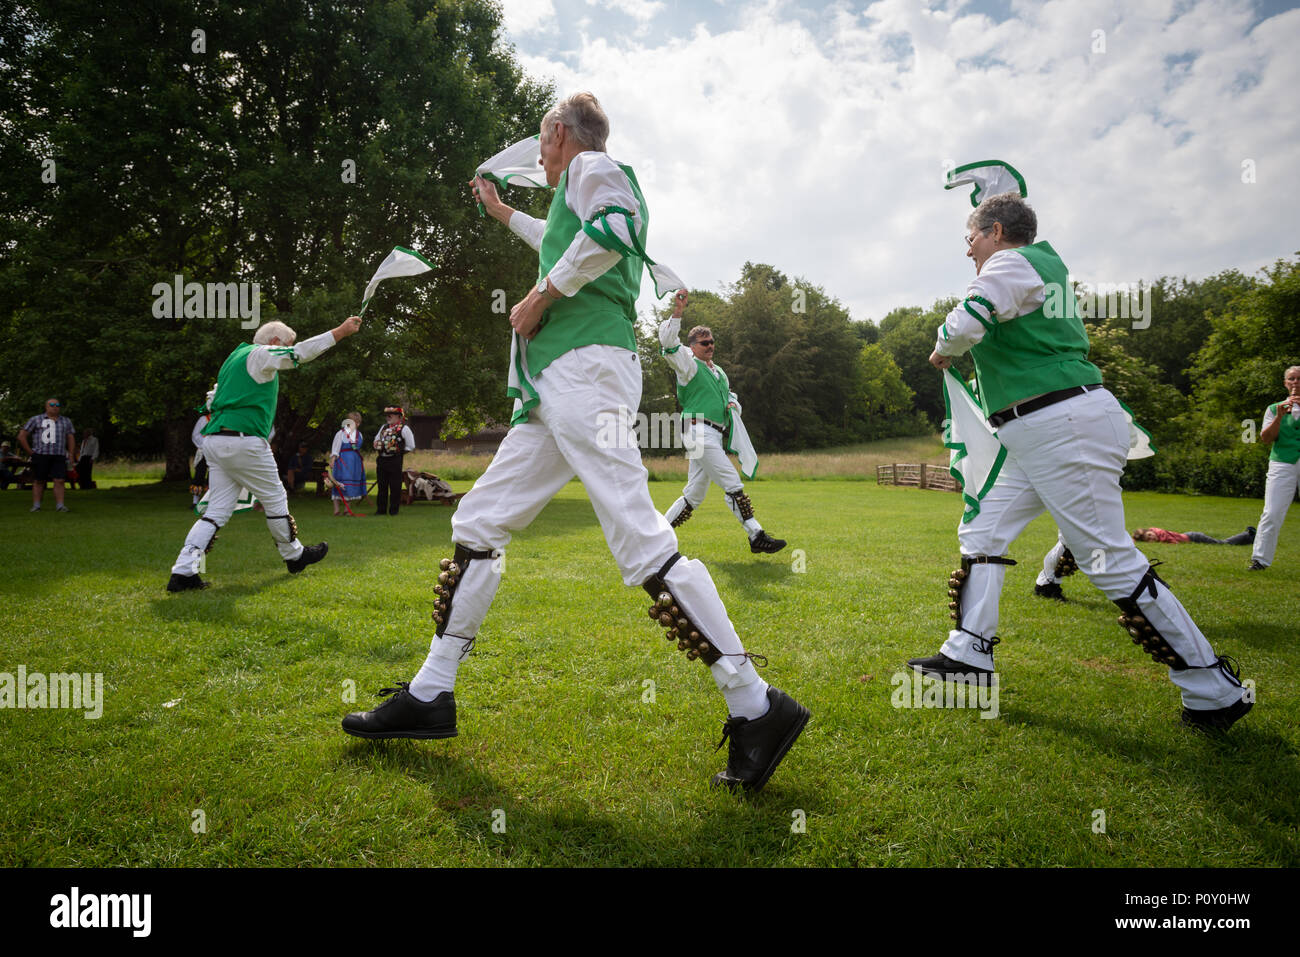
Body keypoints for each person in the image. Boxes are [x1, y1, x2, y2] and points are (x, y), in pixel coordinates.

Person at [342, 92, 809, 792]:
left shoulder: (594, 166)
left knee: (641, 539)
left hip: (583, 375)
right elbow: (566, 240)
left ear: (560, 133)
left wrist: (539, 297)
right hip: (559, 387)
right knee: (478, 522)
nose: (539, 154)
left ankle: (755, 703)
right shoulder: (581, 187)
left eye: (542, 140)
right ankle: (432, 691)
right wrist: (503, 214)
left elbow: (613, 228)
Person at [910, 191, 1251, 731]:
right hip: (1041, 427)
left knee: (1108, 559)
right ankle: (968, 655)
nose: (968, 249)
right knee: (984, 528)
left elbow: (965, 322)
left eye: (970, 237)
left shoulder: (1011, 261)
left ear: (996, 231)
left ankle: (1213, 687)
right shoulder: (1034, 265)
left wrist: (941, 347)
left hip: (1057, 423)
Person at [166, 316, 362, 591]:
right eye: (285, 344)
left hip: (215, 439)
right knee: (275, 497)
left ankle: (183, 572)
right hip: (243, 441)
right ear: (273, 342)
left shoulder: (234, 358)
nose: (284, 354)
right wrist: (339, 333)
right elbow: (299, 354)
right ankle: (294, 555)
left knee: (217, 510)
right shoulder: (261, 354)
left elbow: (212, 398)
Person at [658, 291, 786, 554]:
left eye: (712, 342)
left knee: (693, 495)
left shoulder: (720, 373)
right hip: (697, 431)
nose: (710, 346)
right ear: (692, 346)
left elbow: (731, 398)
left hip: (713, 434)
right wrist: (678, 311)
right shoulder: (689, 366)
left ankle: (657, 535)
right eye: (704, 343)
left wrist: (733, 404)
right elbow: (668, 342)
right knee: (732, 482)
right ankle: (756, 535)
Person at [1248, 365, 1300, 570]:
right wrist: (1279, 416)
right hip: (1282, 462)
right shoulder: (1273, 408)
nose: (1295, 382)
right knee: (1272, 511)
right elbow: (1266, 438)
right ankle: (1260, 559)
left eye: (1299, 379)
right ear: (1285, 383)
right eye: (1292, 379)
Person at [18, 398, 76, 513]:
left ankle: (60, 506)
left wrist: (71, 453)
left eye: (57, 405)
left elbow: (70, 437)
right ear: (46, 407)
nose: (55, 407)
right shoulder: (36, 419)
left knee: (59, 480)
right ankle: (36, 506)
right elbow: (21, 436)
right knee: (39, 480)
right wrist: (30, 452)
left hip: (59, 455)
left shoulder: (66, 421)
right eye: (52, 405)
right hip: (41, 455)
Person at [372, 406, 415, 515]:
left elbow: (411, 446)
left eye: (391, 414)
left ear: (399, 417)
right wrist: (376, 444)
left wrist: (398, 452)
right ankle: (380, 510)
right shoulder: (383, 427)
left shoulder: (404, 429)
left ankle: (393, 511)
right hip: (382, 460)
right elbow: (376, 440)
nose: (388, 417)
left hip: (395, 461)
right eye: (387, 415)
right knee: (382, 486)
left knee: (395, 486)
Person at [330, 412, 366, 516]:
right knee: (339, 484)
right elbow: (335, 448)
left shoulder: (360, 435)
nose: (356, 424)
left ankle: (347, 509)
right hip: (342, 461)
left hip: (355, 463)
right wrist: (332, 459)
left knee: (351, 486)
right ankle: (336, 510)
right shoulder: (341, 433)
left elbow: (357, 448)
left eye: (358, 422)